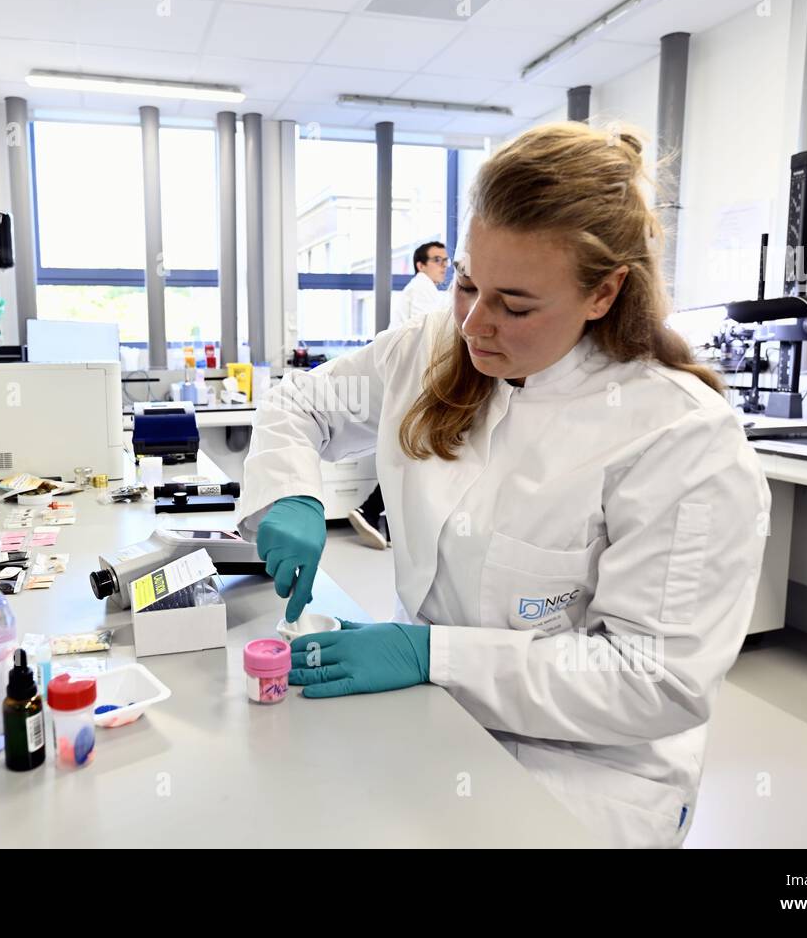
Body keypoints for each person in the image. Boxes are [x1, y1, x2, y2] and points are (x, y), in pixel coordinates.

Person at [235, 122, 770, 849]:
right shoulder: (431, 345)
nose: (475, 323)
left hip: (584, 774)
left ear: (603, 292)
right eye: (463, 282)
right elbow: (299, 403)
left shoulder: (681, 436)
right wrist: (293, 490)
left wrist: (435, 653)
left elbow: (653, 680)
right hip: (425, 722)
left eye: (515, 304)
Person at [347, 241, 451, 549]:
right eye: (437, 260)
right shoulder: (420, 289)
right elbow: (430, 335)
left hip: (416, 379)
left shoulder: (431, 291)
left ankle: (379, 516)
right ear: (420, 264)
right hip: (414, 379)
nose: (443, 265)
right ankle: (370, 509)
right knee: (412, 450)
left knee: (411, 451)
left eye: (446, 260)